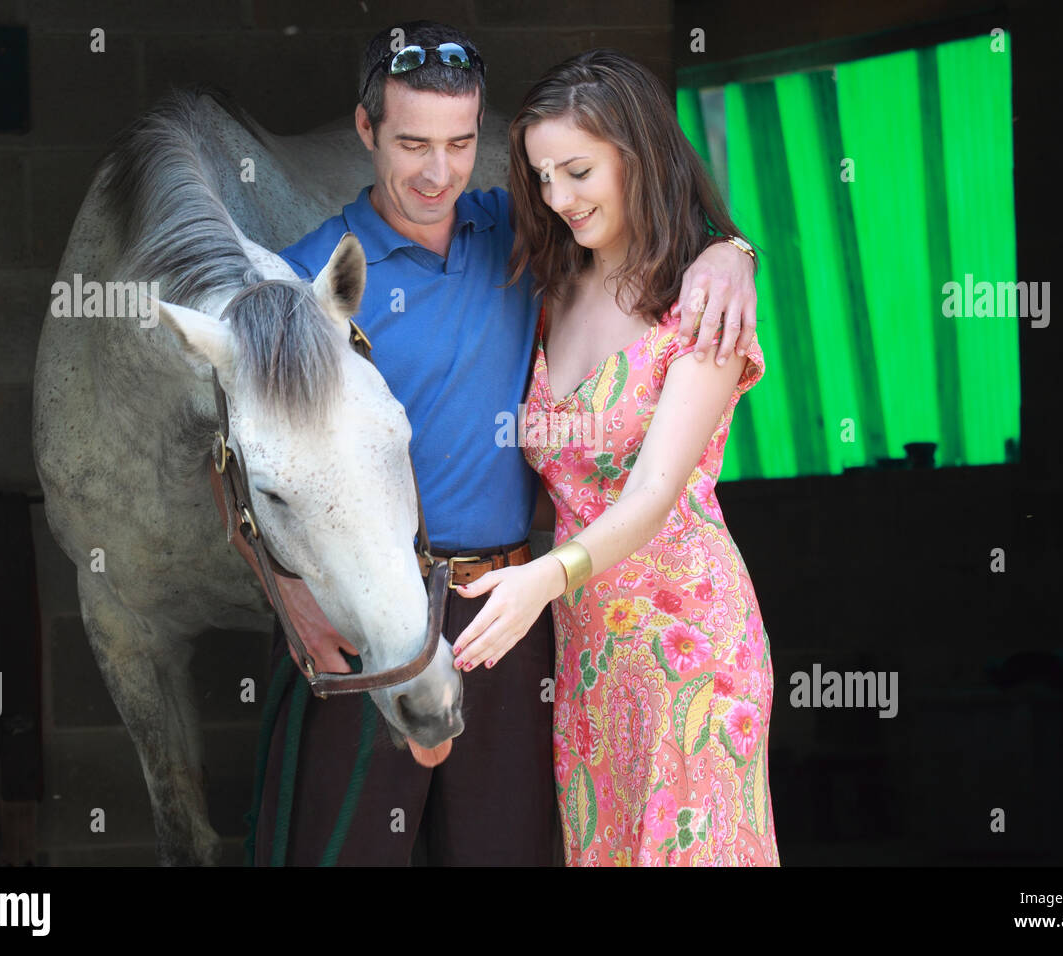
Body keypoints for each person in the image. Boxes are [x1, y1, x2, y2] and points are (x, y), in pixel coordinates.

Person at [247, 22, 761, 866]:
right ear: (366, 130)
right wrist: (290, 594)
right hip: (366, 611)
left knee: (512, 849)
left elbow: (650, 229)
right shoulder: (302, 282)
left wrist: (730, 251)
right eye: (412, 142)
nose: (437, 172)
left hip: (518, 606)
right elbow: (236, 458)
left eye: (460, 143)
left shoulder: (518, 238)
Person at [449, 49, 779, 866]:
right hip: (590, 649)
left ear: (637, 153)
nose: (558, 198)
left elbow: (653, 494)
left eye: (578, 170)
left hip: (690, 644)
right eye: (543, 177)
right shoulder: (550, 289)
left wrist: (732, 250)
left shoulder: (699, 306)